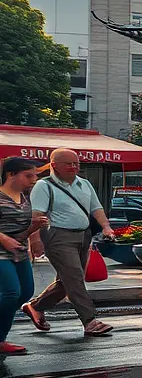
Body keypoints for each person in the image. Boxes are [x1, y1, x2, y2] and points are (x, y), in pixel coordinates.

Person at [22, 149, 116, 337]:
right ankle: (90, 320)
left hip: (84, 236)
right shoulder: (44, 186)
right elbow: (36, 215)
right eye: (68, 163)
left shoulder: (85, 184)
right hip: (57, 237)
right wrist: (36, 240)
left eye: (76, 163)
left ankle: (35, 306)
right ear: (54, 165)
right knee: (74, 278)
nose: (74, 167)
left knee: (68, 280)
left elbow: (96, 208)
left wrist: (106, 227)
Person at [0, 157, 49, 356]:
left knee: (25, 293)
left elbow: (21, 233)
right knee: (11, 292)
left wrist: (34, 230)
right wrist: (3, 239)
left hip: (19, 252)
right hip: (2, 254)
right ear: (11, 175)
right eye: (28, 175)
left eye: (35, 176)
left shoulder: (25, 198)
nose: (33, 180)